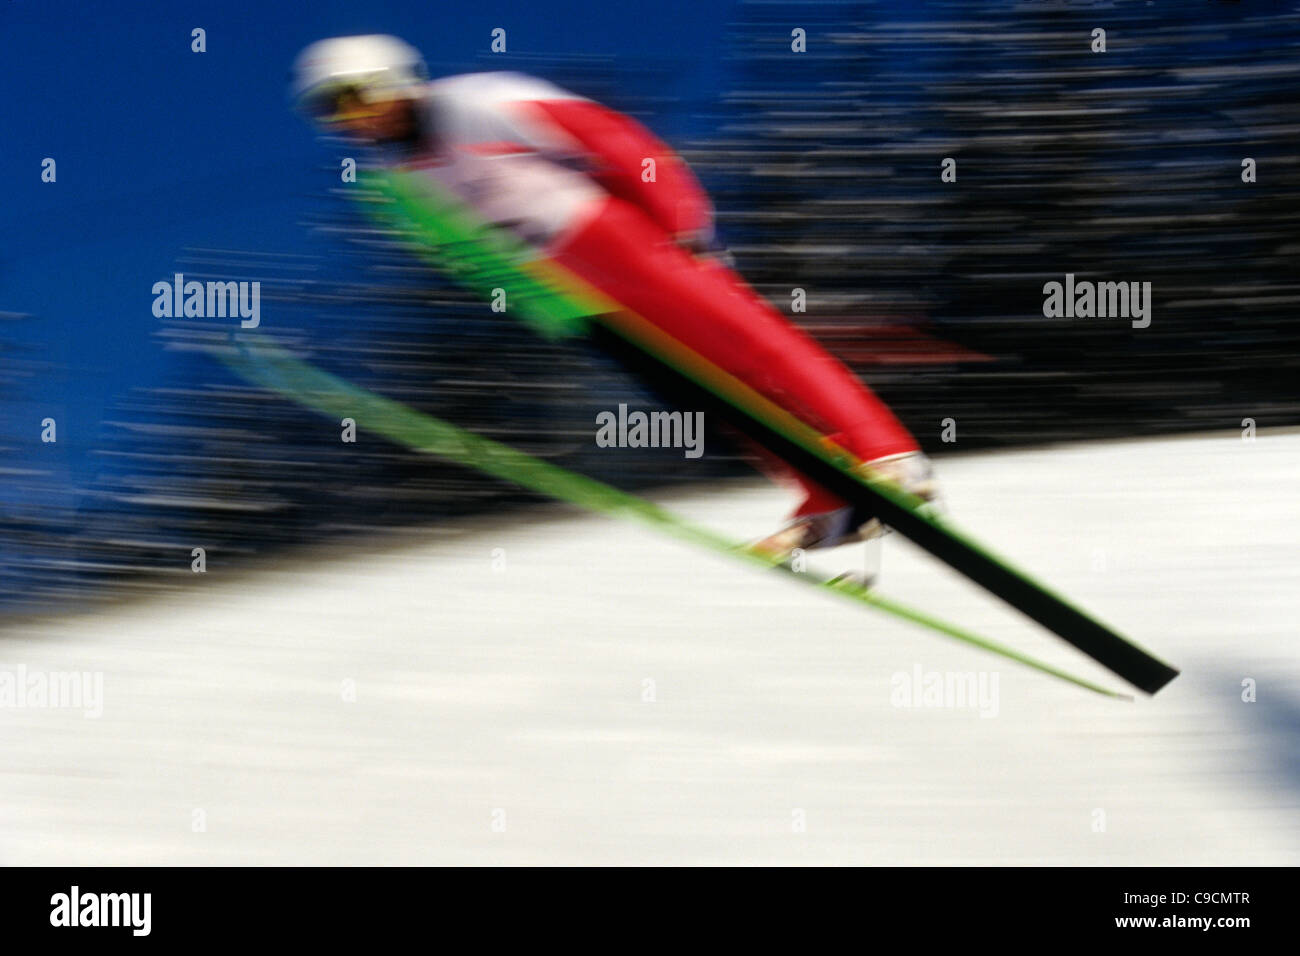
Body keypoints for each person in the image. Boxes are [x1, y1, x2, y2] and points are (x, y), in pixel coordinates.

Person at [291, 34, 938, 562]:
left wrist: (682, 221)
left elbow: (611, 138)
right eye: (332, 109)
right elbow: (466, 257)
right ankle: (828, 498)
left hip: (614, 239)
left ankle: (887, 456)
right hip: (571, 289)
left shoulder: (475, 101)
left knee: (755, 346)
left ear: (399, 79)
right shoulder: (391, 184)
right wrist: (555, 317)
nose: (354, 118)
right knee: (707, 397)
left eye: (357, 95)